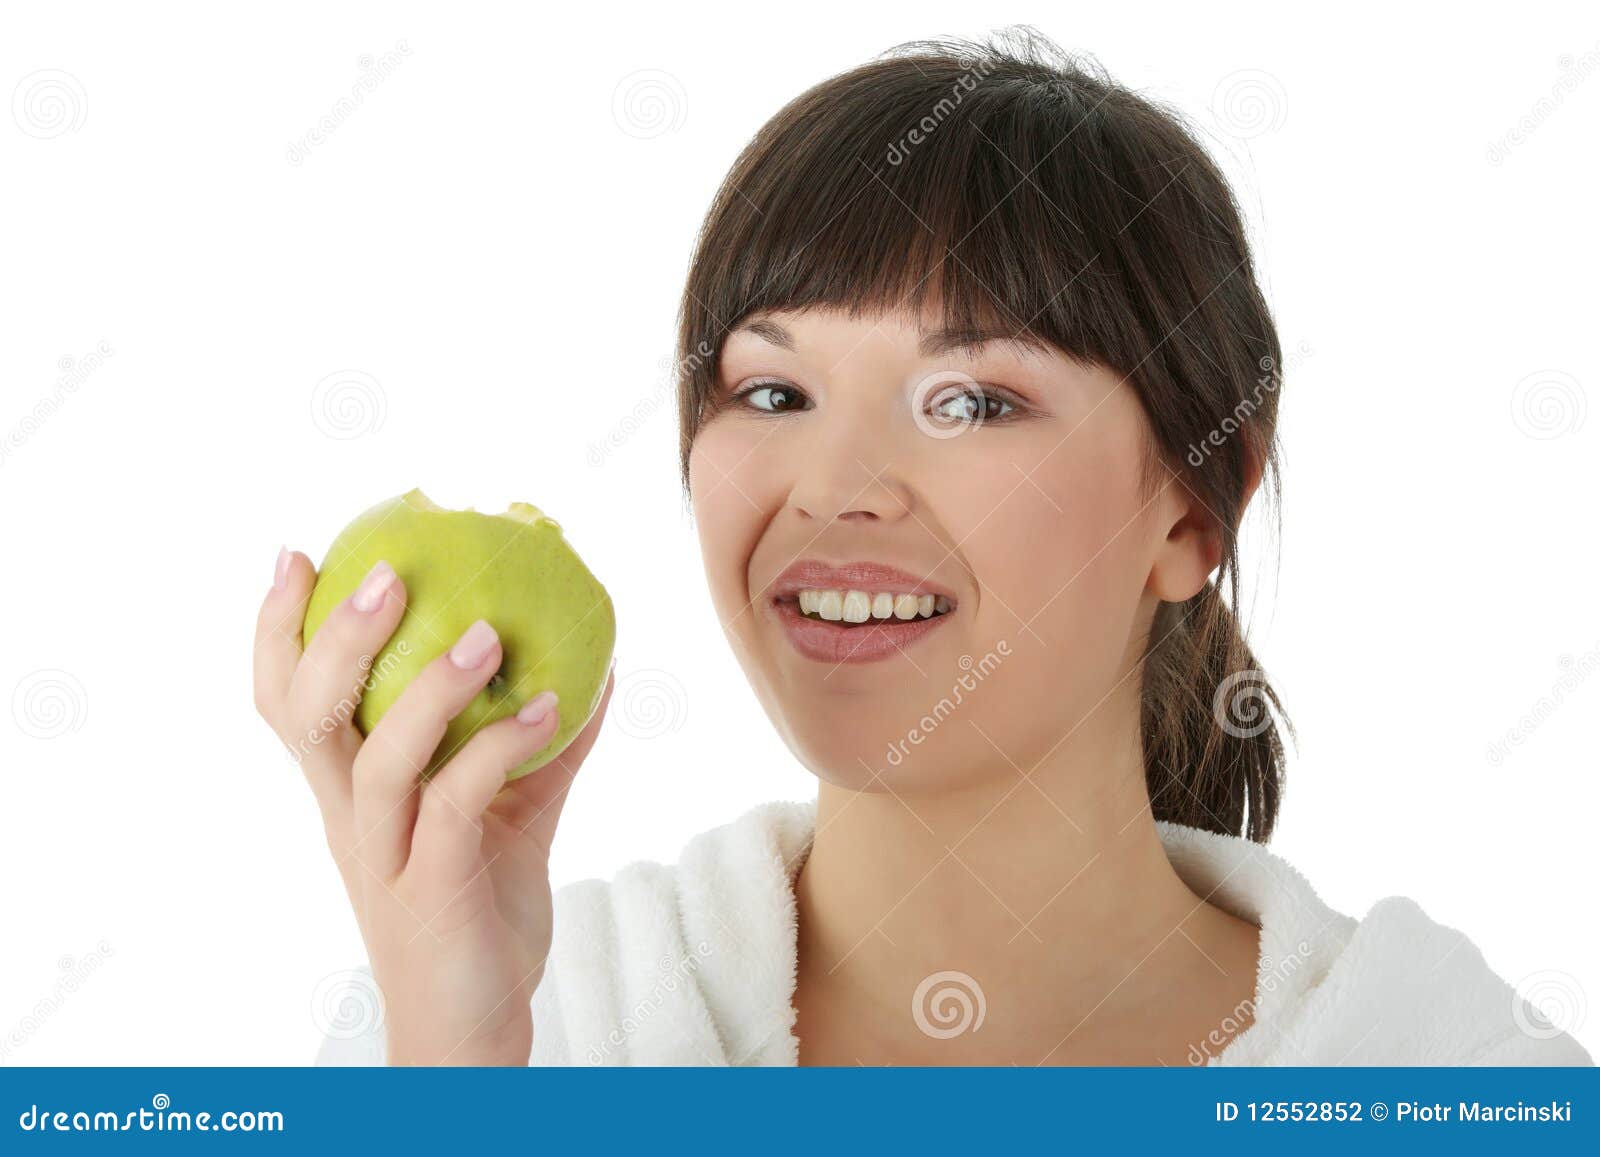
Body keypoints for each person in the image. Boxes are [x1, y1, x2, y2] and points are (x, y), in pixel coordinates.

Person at [253, 31, 1592, 1067]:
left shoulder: (1447, 1066)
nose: (835, 488)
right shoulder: (525, 1020)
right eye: (773, 392)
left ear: (1193, 510)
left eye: (971, 401)